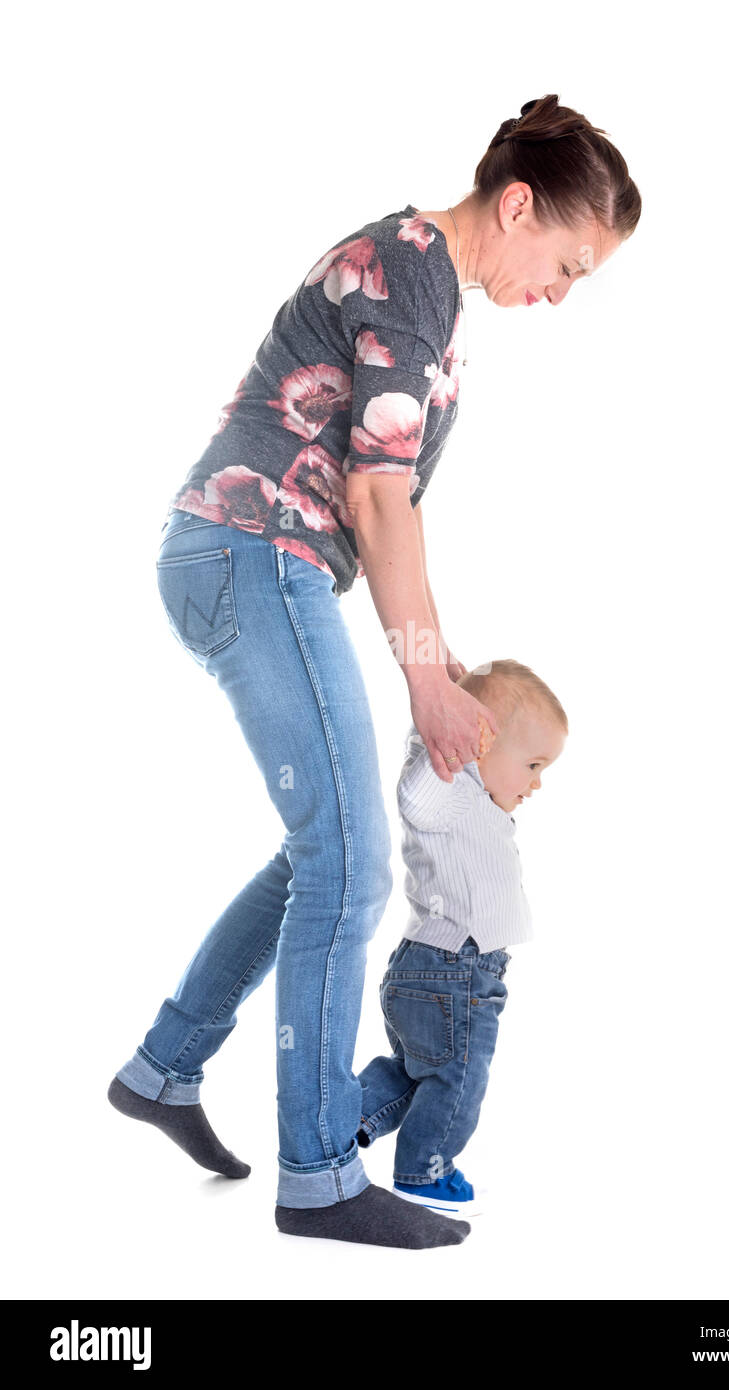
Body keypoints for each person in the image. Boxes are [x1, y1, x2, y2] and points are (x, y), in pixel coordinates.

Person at [107, 93, 641, 1250]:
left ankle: (167, 1066)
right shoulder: (408, 272)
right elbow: (373, 498)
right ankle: (317, 1179)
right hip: (250, 553)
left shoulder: (430, 299)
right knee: (346, 870)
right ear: (517, 204)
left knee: (326, 853)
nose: (559, 293)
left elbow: (384, 513)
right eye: (569, 262)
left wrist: (439, 661)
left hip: (264, 560)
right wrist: (425, 683)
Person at [356, 661, 568, 1216]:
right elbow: (416, 795)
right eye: (533, 765)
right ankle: (424, 1170)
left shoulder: (475, 797)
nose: (537, 783)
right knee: (459, 1079)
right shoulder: (448, 787)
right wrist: (447, 733)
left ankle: (343, 1118)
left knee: (414, 1072)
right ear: (480, 743)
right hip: (452, 973)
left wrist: (460, 701)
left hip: (435, 971)